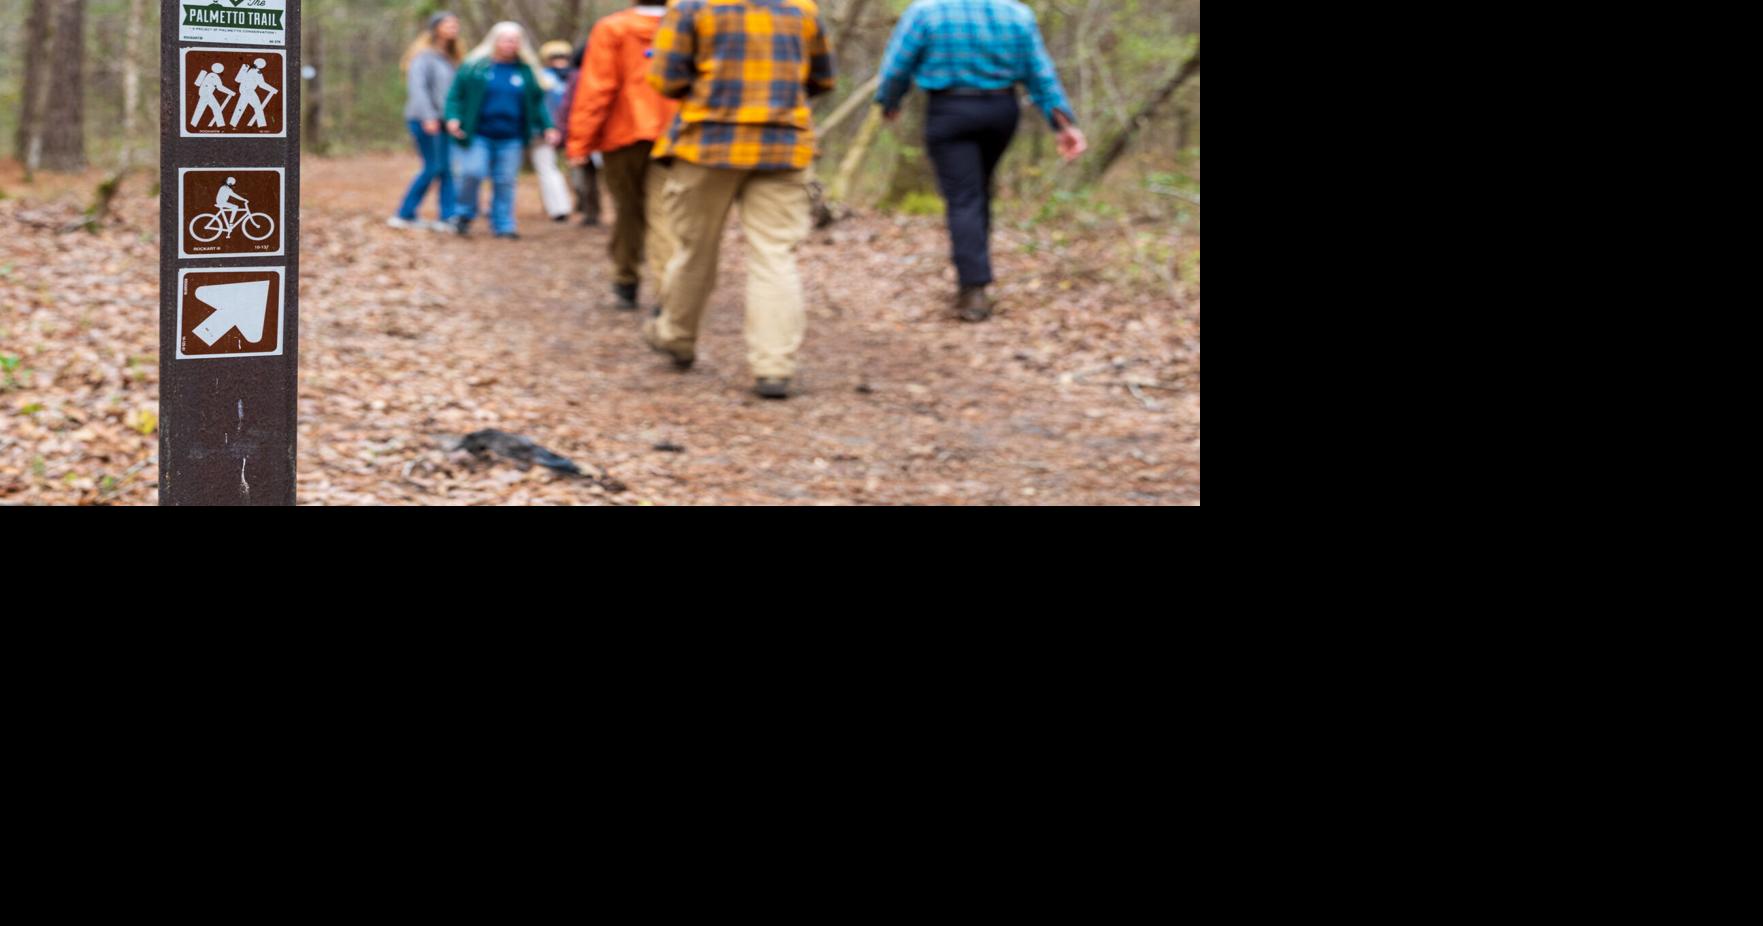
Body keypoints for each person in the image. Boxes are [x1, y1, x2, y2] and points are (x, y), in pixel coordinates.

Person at [643, 0, 836, 400]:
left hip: (707, 146)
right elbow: (823, 79)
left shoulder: (691, 7)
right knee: (774, 255)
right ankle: (773, 367)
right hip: (784, 146)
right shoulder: (802, 9)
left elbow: (664, 78)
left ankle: (677, 337)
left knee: (694, 247)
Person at [876, 0, 1088, 322]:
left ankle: (973, 288)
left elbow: (898, 65)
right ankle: (976, 276)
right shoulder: (1016, 14)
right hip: (1001, 112)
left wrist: (890, 101)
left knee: (964, 198)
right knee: (979, 191)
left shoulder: (927, 12)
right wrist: (1063, 123)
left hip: (949, 110)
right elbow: (1039, 72)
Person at [567, 2, 679, 310]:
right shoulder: (687, 22)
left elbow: (597, 88)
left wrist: (580, 141)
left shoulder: (612, 28)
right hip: (675, 134)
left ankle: (625, 280)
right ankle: (667, 294)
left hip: (622, 135)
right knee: (665, 215)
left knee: (628, 210)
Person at [444, 21, 563, 239]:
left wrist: (549, 126)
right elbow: (455, 95)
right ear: (495, 41)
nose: (511, 44)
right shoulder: (475, 66)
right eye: (507, 39)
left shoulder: (526, 71)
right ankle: (463, 214)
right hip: (479, 133)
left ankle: (503, 224)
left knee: (505, 180)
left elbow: (538, 103)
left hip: (511, 136)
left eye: (515, 40)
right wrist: (453, 118)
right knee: (472, 172)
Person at [391, 11, 463, 232]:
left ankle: (448, 217)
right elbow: (418, 88)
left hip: (445, 121)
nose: (453, 27)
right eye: (448, 24)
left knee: (446, 169)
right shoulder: (423, 56)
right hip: (424, 119)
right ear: (436, 28)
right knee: (433, 167)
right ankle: (404, 214)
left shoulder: (452, 58)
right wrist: (428, 116)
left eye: (455, 24)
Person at [556, 45, 604, 226]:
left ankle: (591, 212)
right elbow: (568, 106)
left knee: (586, 174)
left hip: (587, 132)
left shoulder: (580, 76)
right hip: (588, 132)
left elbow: (567, 107)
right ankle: (591, 212)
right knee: (586, 174)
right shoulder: (579, 77)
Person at [531, 40, 578, 222]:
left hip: (572, 128)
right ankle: (558, 208)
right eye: (555, 57)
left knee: (574, 169)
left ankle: (574, 205)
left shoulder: (574, 77)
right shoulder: (542, 77)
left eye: (562, 57)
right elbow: (541, 104)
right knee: (548, 167)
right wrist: (547, 126)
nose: (560, 61)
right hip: (547, 129)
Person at [231, 58, 278, 128]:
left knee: (240, 106)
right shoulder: (257, 72)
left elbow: (238, 80)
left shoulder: (248, 68)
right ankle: (262, 125)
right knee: (258, 107)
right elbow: (261, 84)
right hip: (249, 91)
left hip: (242, 89)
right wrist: (273, 90)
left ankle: (233, 124)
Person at [192, 63, 235, 129]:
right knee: (216, 108)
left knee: (200, 108)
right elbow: (220, 87)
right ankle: (221, 125)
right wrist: (231, 92)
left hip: (203, 92)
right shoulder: (215, 76)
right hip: (207, 94)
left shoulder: (209, 74)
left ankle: (193, 123)